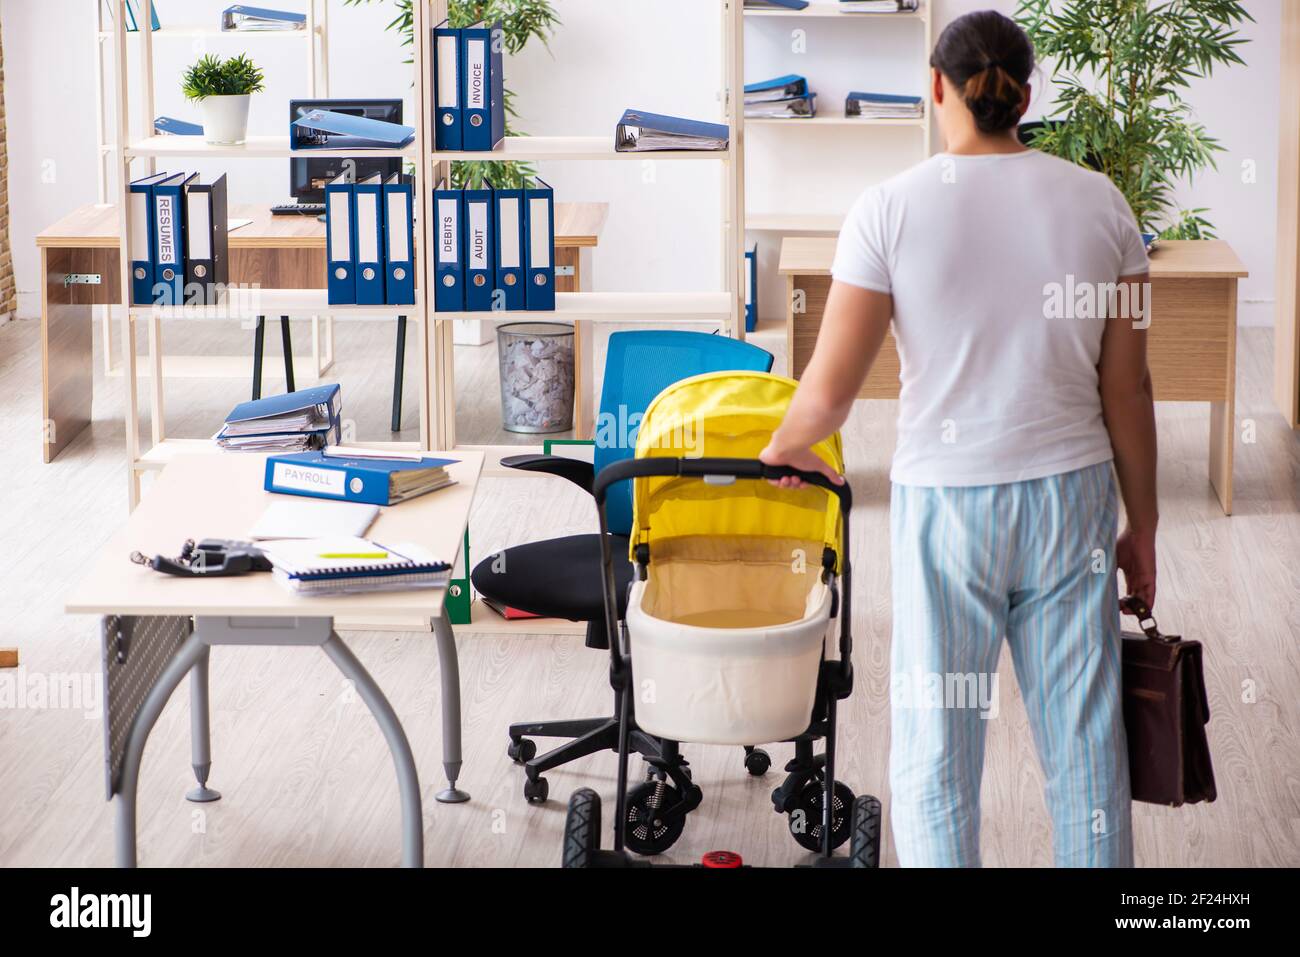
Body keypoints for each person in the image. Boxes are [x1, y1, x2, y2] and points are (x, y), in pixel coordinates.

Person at [760, 9, 1157, 867]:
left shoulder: (889, 210)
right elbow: (1128, 389)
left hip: (948, 508)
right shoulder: (1104, 206)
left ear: (936, 86)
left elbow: (827, 395)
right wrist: (1145, 527)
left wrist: (783, 448)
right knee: (1087, 746)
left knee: (938, 750)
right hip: (1071, 499)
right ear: (1026, 91)